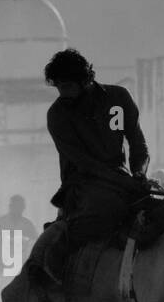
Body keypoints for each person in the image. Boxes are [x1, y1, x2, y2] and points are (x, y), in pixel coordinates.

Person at [29, 48, 150, 283]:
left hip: (124, 179)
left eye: (67, 86)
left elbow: (137, 142)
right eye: (59, 86)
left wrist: (139, 173)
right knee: (108, 210)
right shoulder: (58, 115)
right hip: (83, 185)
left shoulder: (118, 99)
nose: (62, 93)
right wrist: (127, 182)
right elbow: (85, 164)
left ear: (85, 79)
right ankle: (57, 255)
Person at [0, 194, 38, 264]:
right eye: (14, 206)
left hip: (21, 263)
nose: (16, 209)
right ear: (10, 207)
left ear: (23, 208)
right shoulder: (0, 223)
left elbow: (34, 242)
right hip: (1, 263)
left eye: (19, 206)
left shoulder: (28, 225)